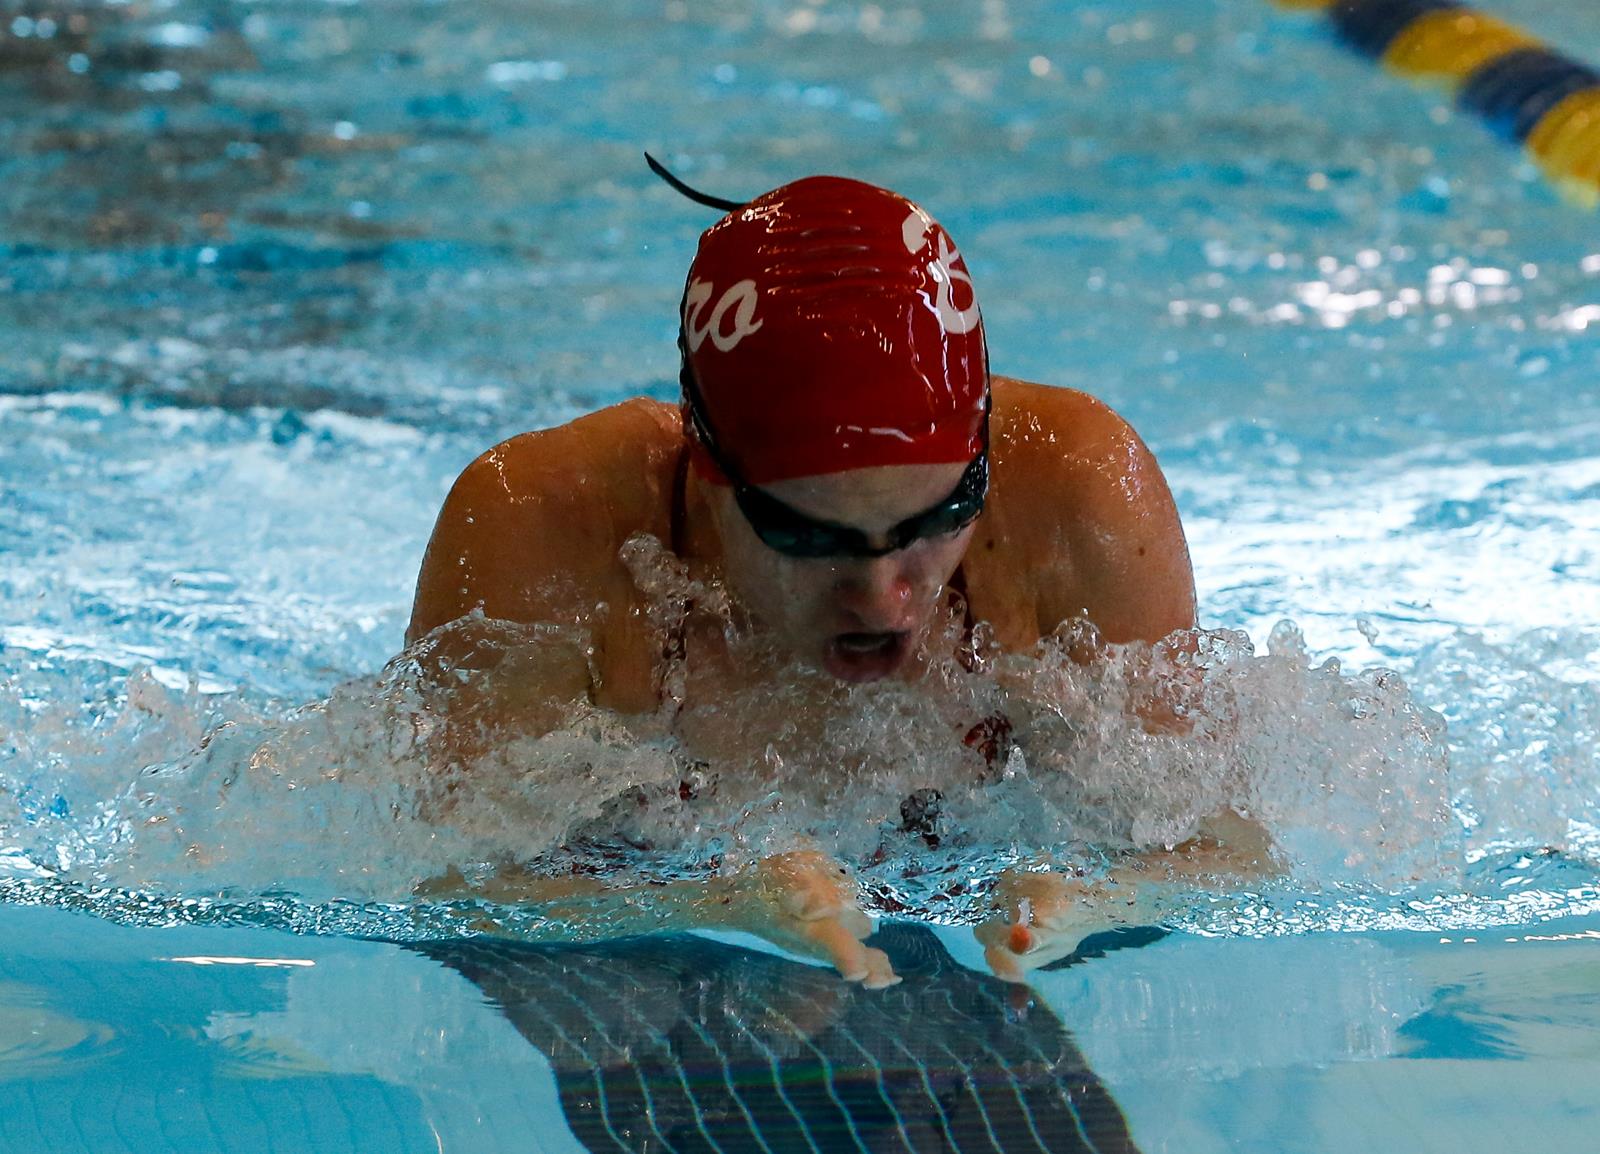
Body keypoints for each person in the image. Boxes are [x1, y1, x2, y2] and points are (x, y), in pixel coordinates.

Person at [407, 165, 1264, 987]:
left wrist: (1103, 898)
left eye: (935, 519)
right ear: (707, 468)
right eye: (809, 536)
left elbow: (1227, 848)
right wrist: (703, 901)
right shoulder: (546, 530)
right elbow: (437, 880)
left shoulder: (1075, 495)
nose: (886, 598)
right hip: (648, 986)